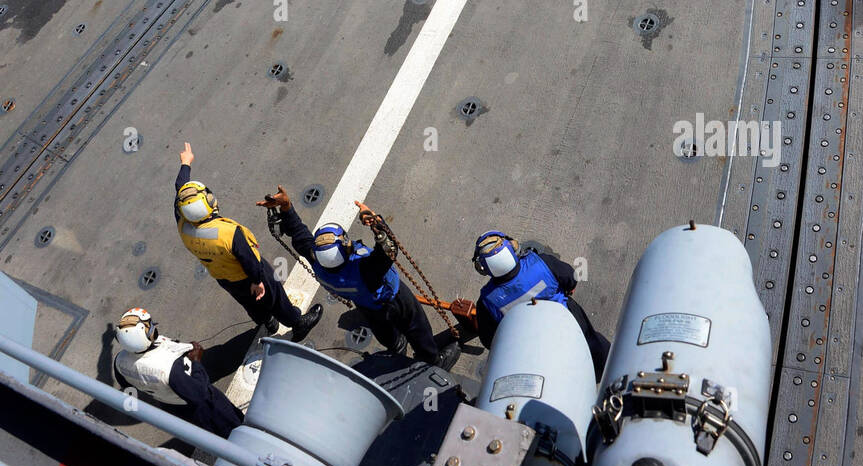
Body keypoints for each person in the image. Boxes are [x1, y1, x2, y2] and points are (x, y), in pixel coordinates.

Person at [257, 187, 458, 369]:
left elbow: (299, 233)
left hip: (368, 306)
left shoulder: (318, 262)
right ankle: (432, 361)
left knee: (382, 329)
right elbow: (388, 250)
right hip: (395, 300)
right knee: (417, 327)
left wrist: (286, 207)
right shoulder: (365, 269)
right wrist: (376, 223)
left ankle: (396, 345)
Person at [174, 143, 322, 341]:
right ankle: (297, 323)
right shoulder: (229, 233)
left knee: (248, 302)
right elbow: (250, 261)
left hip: (223, 277)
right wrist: (257, 281)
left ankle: (267, 322)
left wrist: (186, 163)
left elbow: (181, 192)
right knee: (274, 295)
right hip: (248, 275)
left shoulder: (182, 221)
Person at [472, 231, 610, 379]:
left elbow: (490, 340)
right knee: (592, 344)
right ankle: (605, 369)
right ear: (512, 248)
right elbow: (571, 278)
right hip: (568, 319)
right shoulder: (542, 262)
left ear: (482, 268)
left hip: (534, 345)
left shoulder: (487, 302)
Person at [113, 307, 242, 438]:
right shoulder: (168, 368)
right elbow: (200, 394)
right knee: (232, 426)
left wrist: (133, 405)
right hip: (197, 404)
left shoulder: (120, 361)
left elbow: (126, 385)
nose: (153, 329)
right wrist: (196, 361)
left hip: (170, 404)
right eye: (150, 328)